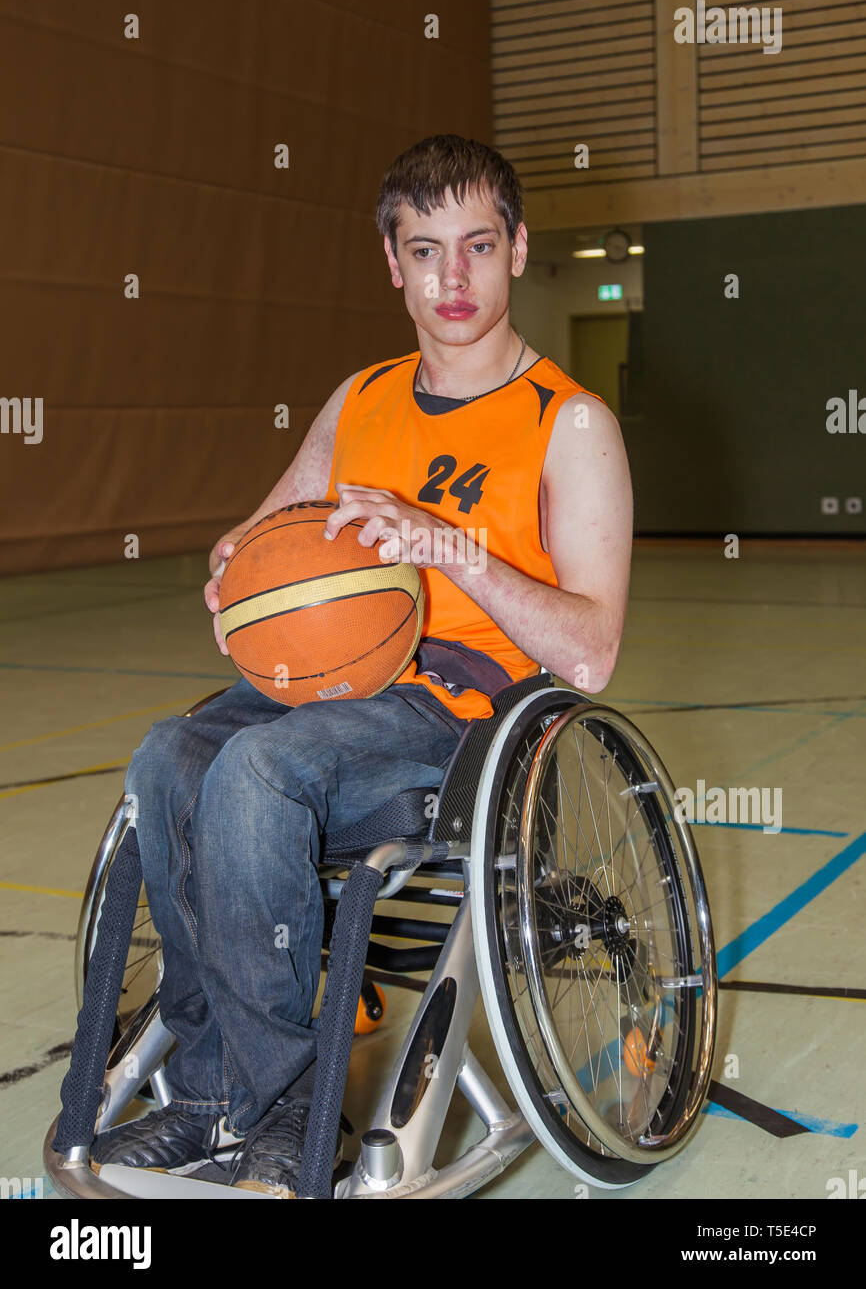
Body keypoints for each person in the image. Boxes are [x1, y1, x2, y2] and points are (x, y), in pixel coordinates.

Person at [88, 133, 633, 1196]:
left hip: (467, 717)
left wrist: (445, 546)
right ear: (391, 262)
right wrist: (232, 579)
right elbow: (253, 538)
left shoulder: (569, 424)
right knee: (167, 760)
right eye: (424, 250)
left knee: (254, 775)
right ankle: (204, 1099)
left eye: (477, 246)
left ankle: (288, 1106)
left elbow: (592, 650)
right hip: (336, 684)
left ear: (518, 249)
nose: (452, 279)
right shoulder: (360, 399)